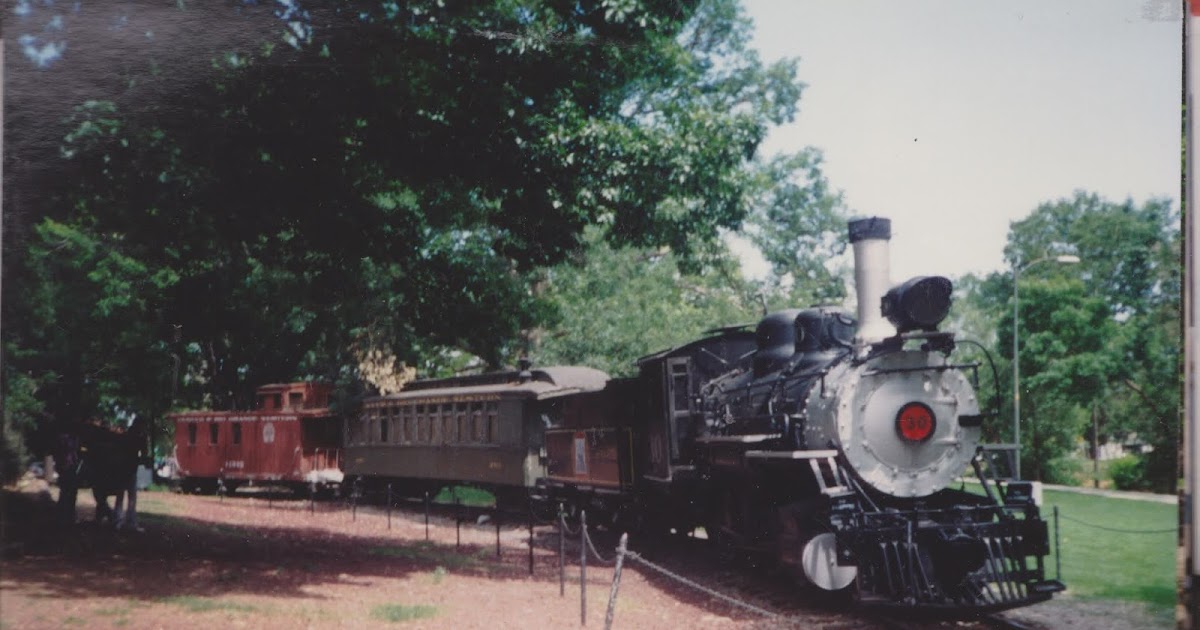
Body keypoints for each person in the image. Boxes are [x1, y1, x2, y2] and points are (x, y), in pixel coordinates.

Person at [54, 419, 81, 526]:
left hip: (68, 468)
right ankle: (66, 517)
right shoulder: (68, 439)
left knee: (67, 493)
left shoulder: (65, 439)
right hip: (67, 468)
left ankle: (66, 517)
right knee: (68, 493)